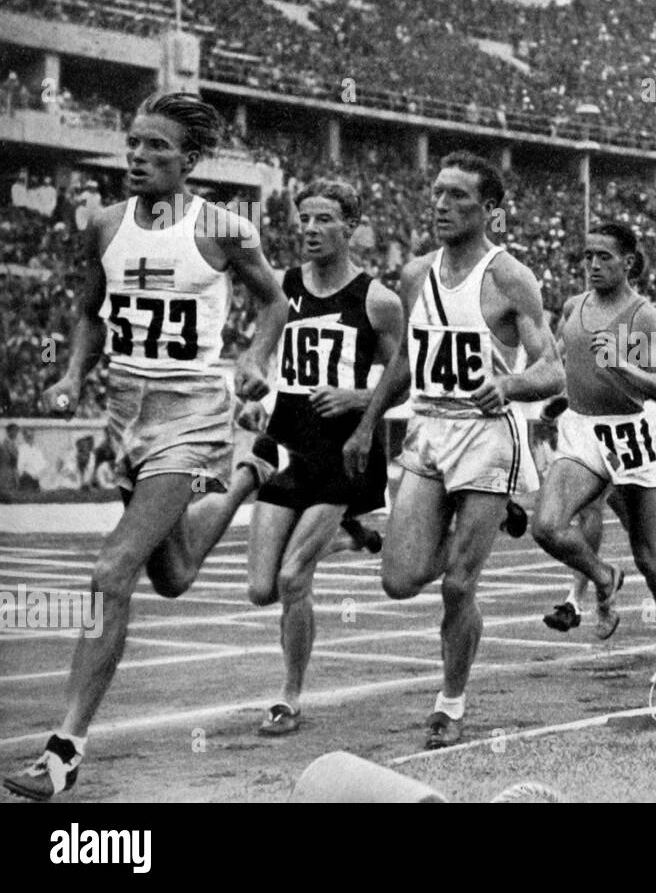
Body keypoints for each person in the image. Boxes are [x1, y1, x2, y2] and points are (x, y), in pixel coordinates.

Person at [3, 92, 287, 801]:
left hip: (192, 413)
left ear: (189, 160)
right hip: (125, 411)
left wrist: (254, 357)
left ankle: (65, 748)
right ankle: (252, 476)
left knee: (111, 571)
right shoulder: (103, 223)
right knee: (173, 573)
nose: (138, 156)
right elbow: (87, 308)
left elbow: (274, 301)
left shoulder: (223, 228)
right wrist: (72, 371)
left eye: (157, 147)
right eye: (133, 142)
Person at [343, 151, 563, 749]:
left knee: (459, 586)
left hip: (488, 436)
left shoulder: (508, 276)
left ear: (491, 209)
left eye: (458, 196)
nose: (441, 204)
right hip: (428, 429)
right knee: (398, 577)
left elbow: (553, 371)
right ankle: (486, 523)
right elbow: (409, 360)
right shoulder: (415, 275)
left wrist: (511, 384)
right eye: (438, 192)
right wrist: (367, 423)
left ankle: (451, 702)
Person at [244, 179, 403, 736]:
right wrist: (253, 384)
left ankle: (289, 696)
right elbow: (262, 354)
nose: (309, 229)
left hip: (341, 452)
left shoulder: (377, 301)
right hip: (285, 445)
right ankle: (354, 535)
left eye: (323, 220)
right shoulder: (281, 288)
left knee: (293, 579)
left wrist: (360, 397)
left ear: (350, 227)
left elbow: (404, 383)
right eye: (304, 218)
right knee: (261, 588)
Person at [531, 222, 656, 684]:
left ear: (628, 263)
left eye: (604, 257)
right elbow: (563, 362)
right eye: (588, 256)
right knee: (546, 526)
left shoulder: (644, 317)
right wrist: (558, 396)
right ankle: (602, 576)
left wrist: (623, 365)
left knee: (646, 554)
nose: (594, 265)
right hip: (580, 431)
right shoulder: (574, 307)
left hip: (629, 437)